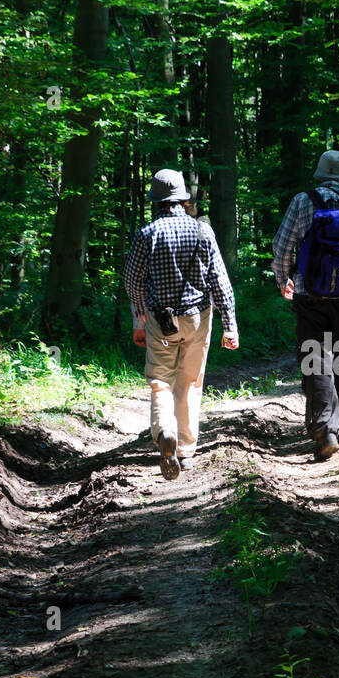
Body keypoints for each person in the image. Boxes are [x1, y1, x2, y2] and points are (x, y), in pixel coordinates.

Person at [123, 169, 239, 480]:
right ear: (184, 201)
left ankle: (165, 434)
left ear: (156, 202)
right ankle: (186, 452)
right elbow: (219, 281)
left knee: (160, 380)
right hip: (198, 317)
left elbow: (131, 281)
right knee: (190, 382)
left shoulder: (147, 234)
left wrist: (140, 313)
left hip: (161, 320)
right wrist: (230, 325)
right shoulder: (203, 232)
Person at [271, 150, 339, 460]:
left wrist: (283, 281)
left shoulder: (303, 201)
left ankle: (325, 429)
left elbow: (282, 247)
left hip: (310, 295)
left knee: (315, 358)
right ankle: (338, 422)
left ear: (320, 174)